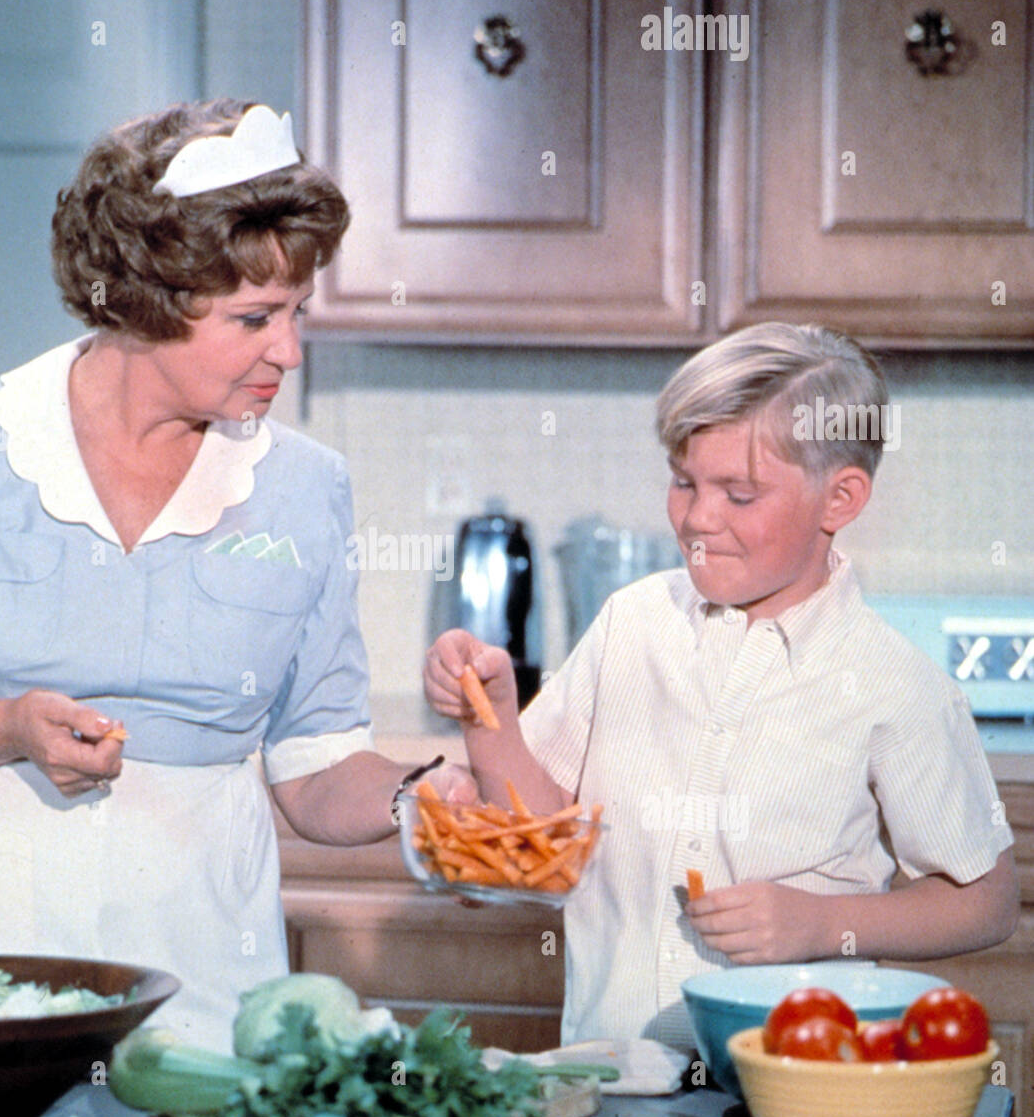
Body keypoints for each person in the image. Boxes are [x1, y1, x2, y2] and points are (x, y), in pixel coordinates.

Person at [0, 98, 468, 1051]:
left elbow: (314, 763)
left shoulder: (303, 490)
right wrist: (6, 725)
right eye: (254, 318)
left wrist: (417, 799)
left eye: (294, 314)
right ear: (146, 303)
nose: (290, 350)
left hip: (197, 1004)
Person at [424, 322, 1018, 1048]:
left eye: (739, 494)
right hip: (614, 1071)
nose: (699, 519)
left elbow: (987, 902)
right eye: (684, 482)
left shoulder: (896, 683)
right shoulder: (631, 624)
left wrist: (824, 924)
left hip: (793, 1094)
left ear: (841, 499)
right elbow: (540, 841)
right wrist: (492, 722)